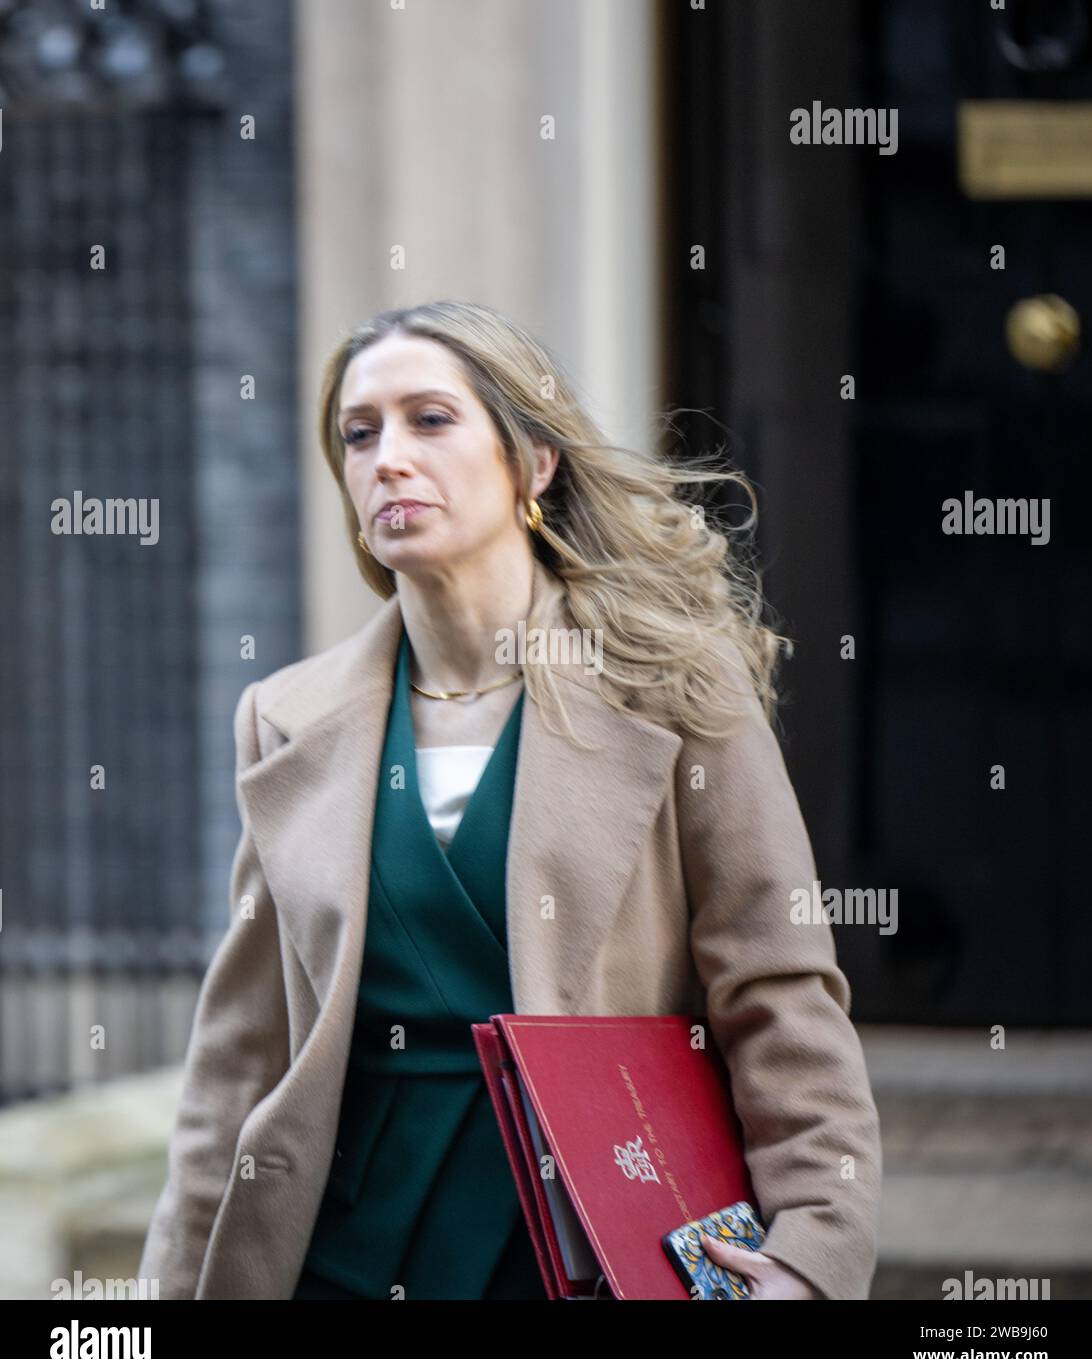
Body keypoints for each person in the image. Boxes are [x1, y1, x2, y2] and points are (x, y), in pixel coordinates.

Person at [137, 299, 882, 1300]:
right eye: (360, 433)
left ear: (533, 463)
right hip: (340, 1249)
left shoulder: (675, 687)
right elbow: (238, 1055)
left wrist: (811, 1250)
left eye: (430, 419)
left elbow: (777, 992)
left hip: (583, 1242)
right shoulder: (284, 718)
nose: (387, 457)